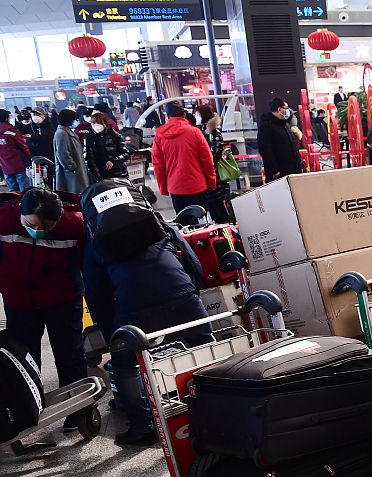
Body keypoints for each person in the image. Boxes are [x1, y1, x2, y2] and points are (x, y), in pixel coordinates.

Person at [83, 188, 210, 447]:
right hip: (182, 294)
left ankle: (143, 428)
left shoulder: (96, 243)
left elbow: (96, 295)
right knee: (205, 348)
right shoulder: (159, 225)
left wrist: (113, 336)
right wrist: (190, 294)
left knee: (124, 364)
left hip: (134, 305)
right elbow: (191, 260)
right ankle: (219, 408)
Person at [0, 188, 88, 411]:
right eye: (30, 224)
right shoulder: (4, 219)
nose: (38, 231)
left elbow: (86, 263)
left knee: (70, 356)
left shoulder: (73, 225)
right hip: (19, 302)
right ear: (20, 208)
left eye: (47, 227)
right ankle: (28, 409)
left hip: (63, 300)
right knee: (24, 359)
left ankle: (78, 409)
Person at [151, 102, 218, 216]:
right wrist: (212, 182)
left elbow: (158, 165)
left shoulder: (159, 136)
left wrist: (163, 188)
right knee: (199, 223)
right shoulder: (195, 132)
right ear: (184, 115)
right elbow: (207, 160)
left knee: (182, 222)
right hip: (196, 185)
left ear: (167, 116)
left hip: (175, 187)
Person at [257, 98, 305, 182]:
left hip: (293, 170)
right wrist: (274, 169)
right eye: (286, 108)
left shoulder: (285, 124)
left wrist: (299, 164)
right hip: (280, 172)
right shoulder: (266, 125)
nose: (288, 110)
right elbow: (265, 149)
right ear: (279, 109)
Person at [52, 109, 88, 194]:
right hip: (71, 173)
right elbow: (62, 153)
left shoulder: (67, 132)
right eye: (74, 120)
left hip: (75, 171)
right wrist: (72, 166)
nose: (76, 122)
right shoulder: (62, 133)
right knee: (73, 193)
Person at [0, 109, 32, 192]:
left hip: (5, 166)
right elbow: (23, 147)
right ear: (7, 118)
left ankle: (13, 205)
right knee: (24, 192)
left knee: (12, 192)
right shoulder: (12, 131)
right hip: (19, 165)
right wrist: (30, 158)